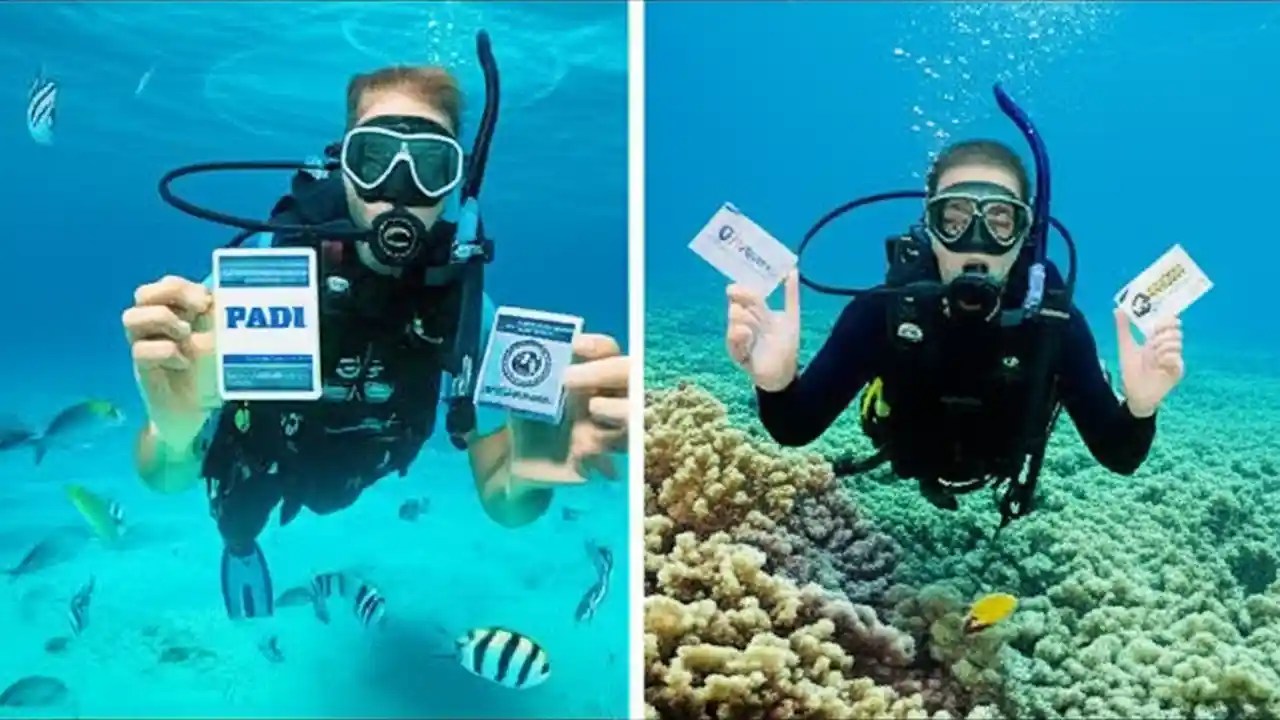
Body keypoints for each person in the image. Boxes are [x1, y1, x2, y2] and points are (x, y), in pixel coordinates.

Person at [122, 34, 630, 619]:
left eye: (430, 166)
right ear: (344, 169)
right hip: (264, 454)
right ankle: (240, 549)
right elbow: (162, 478)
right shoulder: (261, 277)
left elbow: (502, 501)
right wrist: (175, 430)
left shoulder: (467, 311)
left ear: (453, 186)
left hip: (363, 465)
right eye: (374, 158)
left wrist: (529, 472)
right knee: (237, 520)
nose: (399, 188)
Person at [724, 85, 1185, 528]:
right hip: (906, 453)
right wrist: (776, 385)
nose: (976, 242)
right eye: (955, 218)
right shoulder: (881, 313)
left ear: (1025, 233)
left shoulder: (1054, 326)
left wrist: (1140, 408)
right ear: (930, 227)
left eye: (1000, 220)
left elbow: (1120, 456)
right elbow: (794, 428)